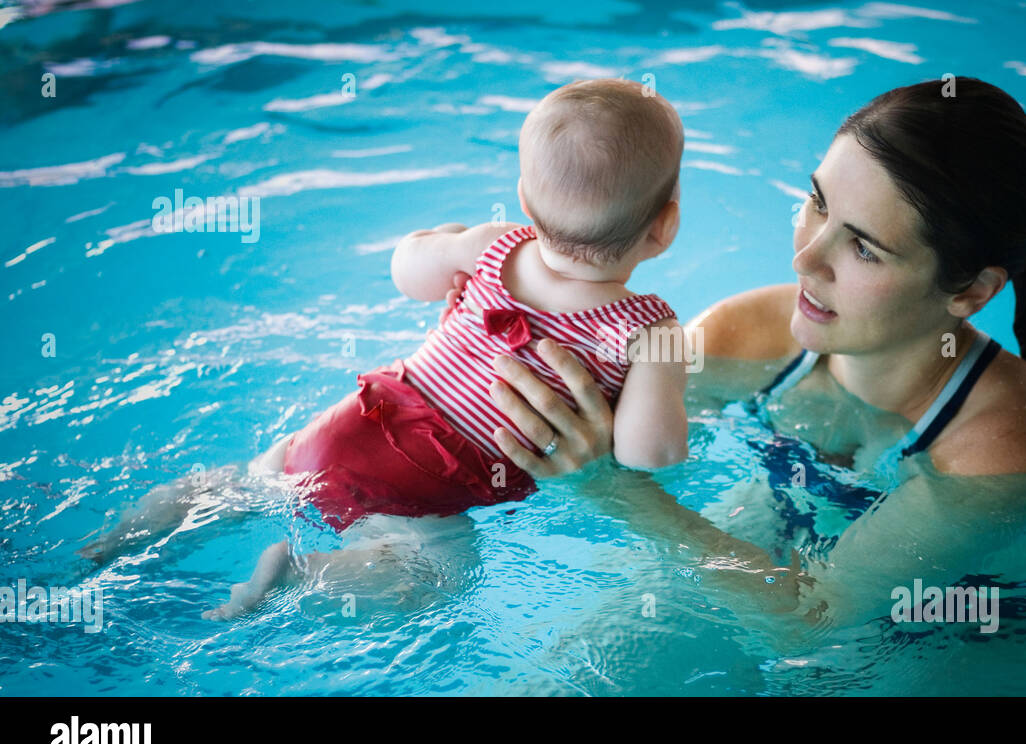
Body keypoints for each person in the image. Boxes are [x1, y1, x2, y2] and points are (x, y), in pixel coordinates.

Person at [476, 77, 1026, 634]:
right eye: (820, 202)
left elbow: (816, 619)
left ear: (972, 290)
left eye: (864, 249)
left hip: (976, 639)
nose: (805, 258)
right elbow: (579, 428)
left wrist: (611, 487)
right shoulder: (750, 333)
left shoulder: (1012, 441)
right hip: (785, 541)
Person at [81, 79, 692, 620]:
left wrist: (447, 245)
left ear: (527, 204)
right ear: (664, 226)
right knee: (441, 576)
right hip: (429, 479)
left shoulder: (494, 245)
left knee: (243, 483)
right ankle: (301, 576)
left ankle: (116, 541)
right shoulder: (649, 329)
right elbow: (650, 453)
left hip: (355, 420)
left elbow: (407, 272)